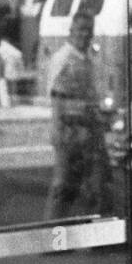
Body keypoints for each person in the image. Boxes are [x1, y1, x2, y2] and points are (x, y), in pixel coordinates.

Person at [45, 11, 109, 217]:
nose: (84, 35)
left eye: (88, 30)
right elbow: (57, 100)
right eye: (80, 29)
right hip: (69, 133)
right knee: (63, 188)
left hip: (89, 133)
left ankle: (96, 239)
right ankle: (53, 237)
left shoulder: (87, 59)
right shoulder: (63, 58)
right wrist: (59, 133)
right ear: (71, 30)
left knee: (96, 186)